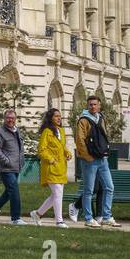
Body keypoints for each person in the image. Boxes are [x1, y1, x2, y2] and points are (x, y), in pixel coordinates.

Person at [74, 95, 118, 228]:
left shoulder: (101, 118)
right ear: (87, 106)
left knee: (109, 187)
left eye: (95, 104)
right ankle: (88, 218)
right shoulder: (83, 120)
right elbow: (79, 140)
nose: (93, 106)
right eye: (90, 104)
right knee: (88, 190)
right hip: (90, 160)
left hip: (102, 159)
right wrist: (87, 157)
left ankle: (107, 216)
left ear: (99, 106)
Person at [30, 107, 71, 228]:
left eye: (60, 116)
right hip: (50, 167)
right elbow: (41, 150)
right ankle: (59, 221)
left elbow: (60, 146)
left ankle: (37, 214)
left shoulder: (61, 131)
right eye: (56, 116)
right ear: (50, 118)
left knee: (55, 195)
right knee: (58, 193)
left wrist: (66, 152)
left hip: (61, 167)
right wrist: (51, 159)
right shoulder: (47, 132)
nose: (59, 118)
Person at [0, 108, 25, 225]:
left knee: (9, 192)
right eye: (8, 118)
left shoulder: (17, 131)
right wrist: (6, 161)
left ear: (15, 119)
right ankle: (16, 218)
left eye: (12, 118)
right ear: (4, 119)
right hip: (6, 168)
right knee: (14, 191)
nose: (10, 120)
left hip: (16, 166)